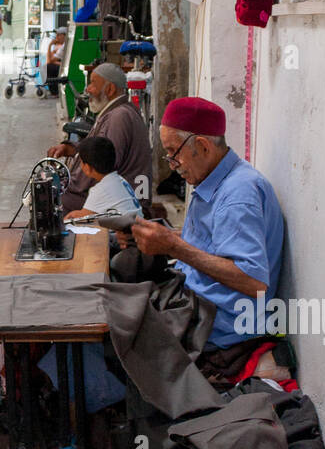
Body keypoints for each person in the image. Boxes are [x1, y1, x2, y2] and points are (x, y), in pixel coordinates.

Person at [118, 96, 284, 353]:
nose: (172, 165)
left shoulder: (238, 195)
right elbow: (213, 242)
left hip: (221, 324)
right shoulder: (214, 181)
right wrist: (157, 237)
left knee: (117, 328)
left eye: (174, 153)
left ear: (203, 146)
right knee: (117, 288)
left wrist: (174, 247)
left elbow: (254, 281)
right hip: (196, 302)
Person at [48, 62, 151, 214]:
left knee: (53, 200)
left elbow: (102, 164)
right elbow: (101, 149)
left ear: (110, 89)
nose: (88, 89)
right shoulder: (119, 111)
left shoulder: (119, 117)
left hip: (120, 201)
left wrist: (70, 184)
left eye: (93, 84)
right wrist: (71, 148)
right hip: (116, 193)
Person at [64, 136, 142, 220]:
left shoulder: (101, 190)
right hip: (138, 225)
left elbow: (82, 218)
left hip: (129, 230)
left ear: (87, 168)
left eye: (81, 162)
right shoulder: (120, 180)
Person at [45, 28, 66, 93]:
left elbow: (49, 61)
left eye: (58, 35)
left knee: (49, 67)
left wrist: (50, 45)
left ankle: (54, 91)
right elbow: (49, 59)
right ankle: (54, 90)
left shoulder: (64, 46)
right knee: (49, 66)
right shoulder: (61, 46)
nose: (56, 37)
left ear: (64, 35)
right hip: (65, 65)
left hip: (66, 67)